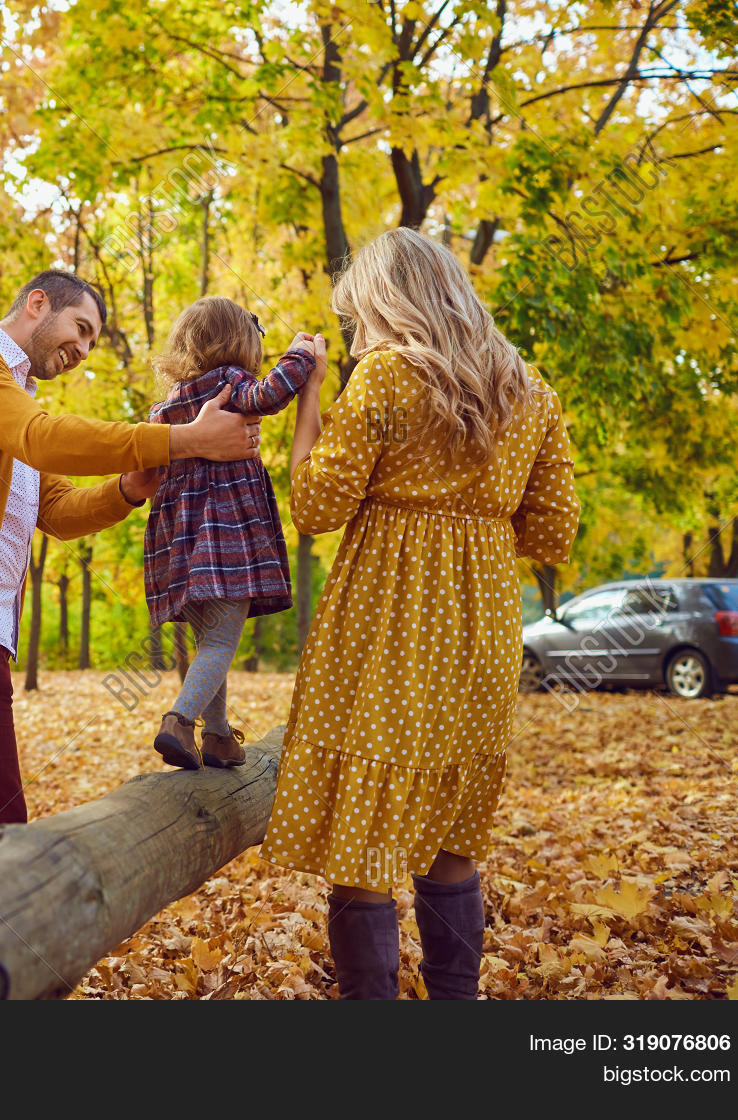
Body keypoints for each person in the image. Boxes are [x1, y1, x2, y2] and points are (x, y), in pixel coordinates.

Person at [259, 228, 580, 999]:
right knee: (452, 837)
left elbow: (315, 507)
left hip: (390, 620)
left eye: (357, 314)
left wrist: (312, 403)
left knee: (364, 843)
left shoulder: (382, 378)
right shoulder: (530, 391)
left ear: (385, 301)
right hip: (483, 628)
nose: (356, 331)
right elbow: (553, 532)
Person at [0, 269, 262, 871]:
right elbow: (42, 440)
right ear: (37, 303)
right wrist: (180, 439)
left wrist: (129, 488)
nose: (80, 351)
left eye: (91, 343)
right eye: (79, 329)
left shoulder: (10, 403)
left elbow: (57, 510)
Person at [143, 297, 326, 770]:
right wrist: (302, 355)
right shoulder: (230, 383)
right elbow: (270, 394)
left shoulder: (169, 405)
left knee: (213, 640)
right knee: (224, 640)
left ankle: (219, 737)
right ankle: (179, 720)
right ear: (238, 342)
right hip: (226, 541)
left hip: (180, 546)